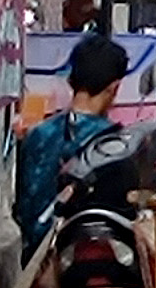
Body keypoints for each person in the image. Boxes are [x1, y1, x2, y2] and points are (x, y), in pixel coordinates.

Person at [17, 31, 132, 247]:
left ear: (71, 81)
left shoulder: (37, 135)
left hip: (36, 254)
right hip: (94, 252)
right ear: (114, 87)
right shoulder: (118, 145)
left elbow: (25, 207)